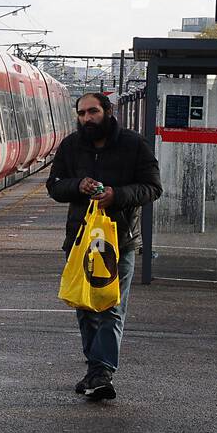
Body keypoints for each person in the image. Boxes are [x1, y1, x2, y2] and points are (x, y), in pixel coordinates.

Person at [47, 92, 162, 401]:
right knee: (84, 305)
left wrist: (117, 195)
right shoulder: (71, 146)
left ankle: (102, 371)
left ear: (108, 111)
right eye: (82, 113)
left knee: (110, 305)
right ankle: (96, 369)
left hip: (118, 241)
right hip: (80, 241)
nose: (87, 118)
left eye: (93, 111)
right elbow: (54, 185)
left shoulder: (134, 145)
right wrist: (77, 185)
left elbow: (152, 187)